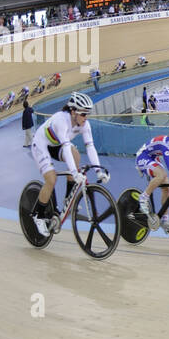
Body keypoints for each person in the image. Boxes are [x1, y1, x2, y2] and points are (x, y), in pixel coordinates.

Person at [28, 92, 107, 238]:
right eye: (83, 114)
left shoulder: (84, 124)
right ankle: (37, 216)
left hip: (56, 144)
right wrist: (74, 173)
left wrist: (98, 171)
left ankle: (67, 200)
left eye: (87, 114)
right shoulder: (61, 120)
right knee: (51, 179)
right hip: (41, 144)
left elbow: (90, 147)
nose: (86, 117)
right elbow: (65, 147)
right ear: (73, 111)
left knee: (75, 154)